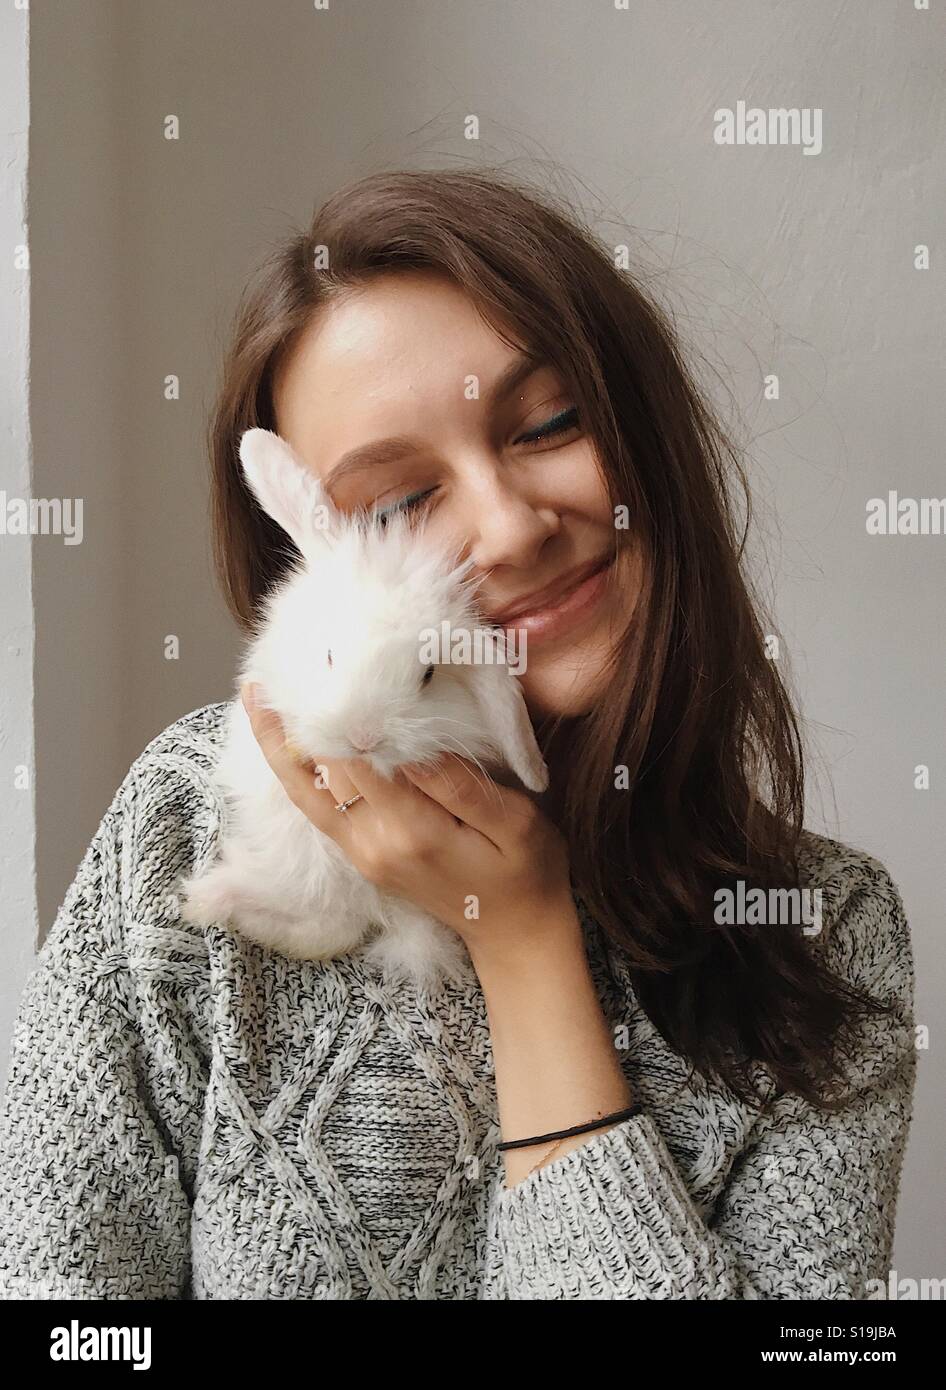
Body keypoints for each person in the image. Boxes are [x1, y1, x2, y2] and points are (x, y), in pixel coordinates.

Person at [0, 169, 916, 1300]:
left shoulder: (823, 936)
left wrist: (526, 947)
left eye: (550, 424)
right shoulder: (185, 823)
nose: (511, 527)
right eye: (395, 505)